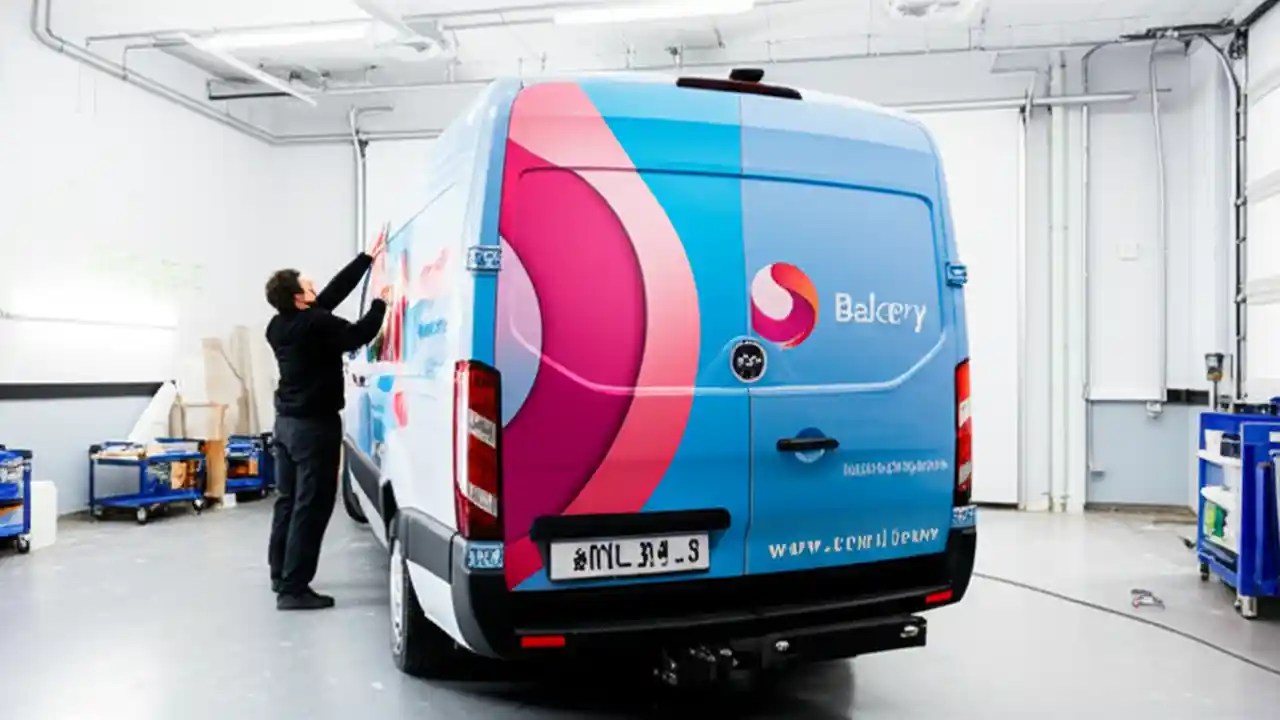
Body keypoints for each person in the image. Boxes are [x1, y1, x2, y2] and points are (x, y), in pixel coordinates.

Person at [263, 246, 389, 611]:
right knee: (311, 506)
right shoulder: (316, 324)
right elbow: (358, 334)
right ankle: (294, 589)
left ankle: (280, 574)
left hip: (286, 426)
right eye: (308, 286)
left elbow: (330, 297)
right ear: (299, 298)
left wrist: (365, 260)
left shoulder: (280, 325)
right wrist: (382, 302)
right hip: (314, 429)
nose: (314, 287)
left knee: (287, 502)